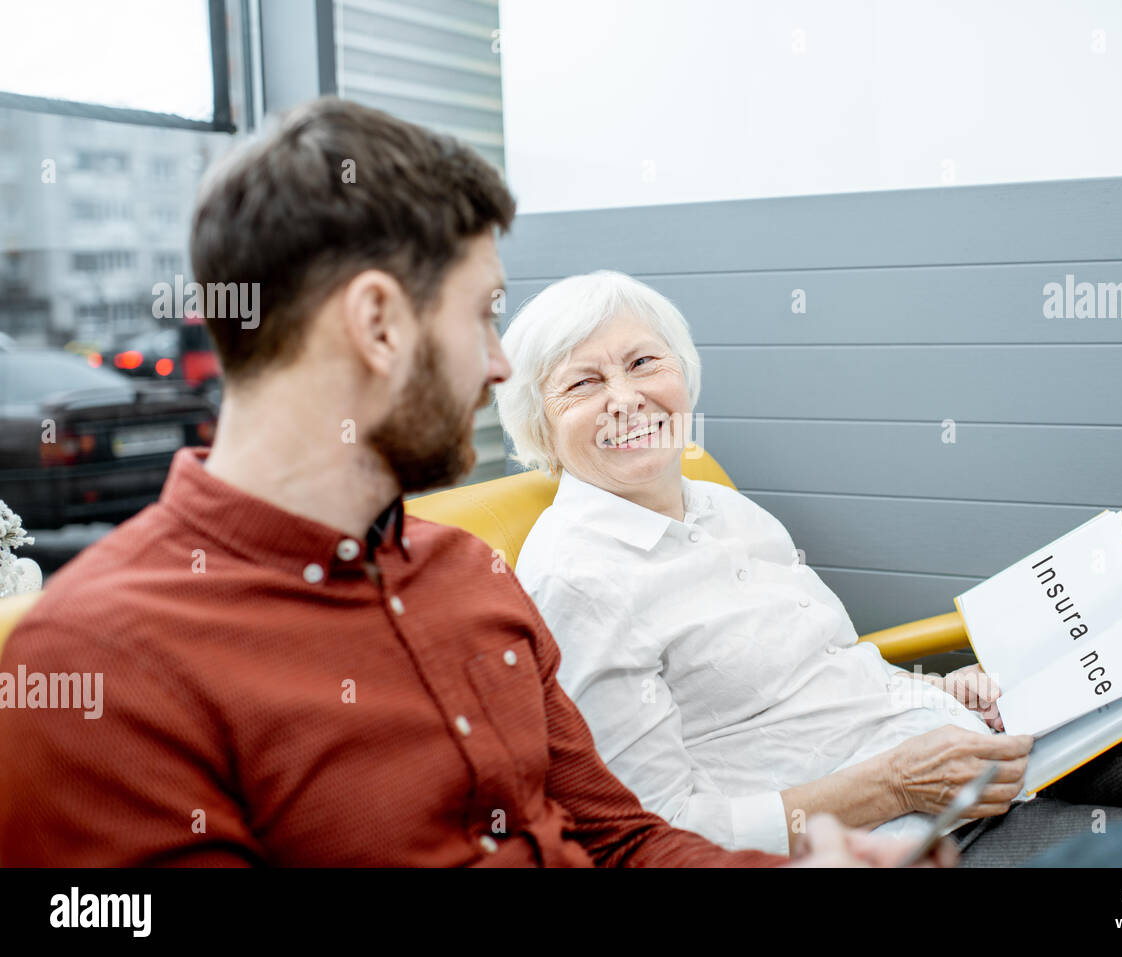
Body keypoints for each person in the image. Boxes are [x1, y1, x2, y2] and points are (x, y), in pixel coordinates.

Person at [0, 97, 945, 869]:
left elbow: (622, 841)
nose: (501, 367)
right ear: (378, 323)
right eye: (485, 316)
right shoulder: (96, 662)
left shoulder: (468, 576)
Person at [496, 269, 1122, 866]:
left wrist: (934, 690)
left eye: (643, 363)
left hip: (978, 739)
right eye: (583, 383)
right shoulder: (577, 582)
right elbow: (657, 830)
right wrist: (897, 783)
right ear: (538, 421)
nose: (626, 397)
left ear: (683, 373)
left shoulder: (721, 509)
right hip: (906, 830)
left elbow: (828, 668)